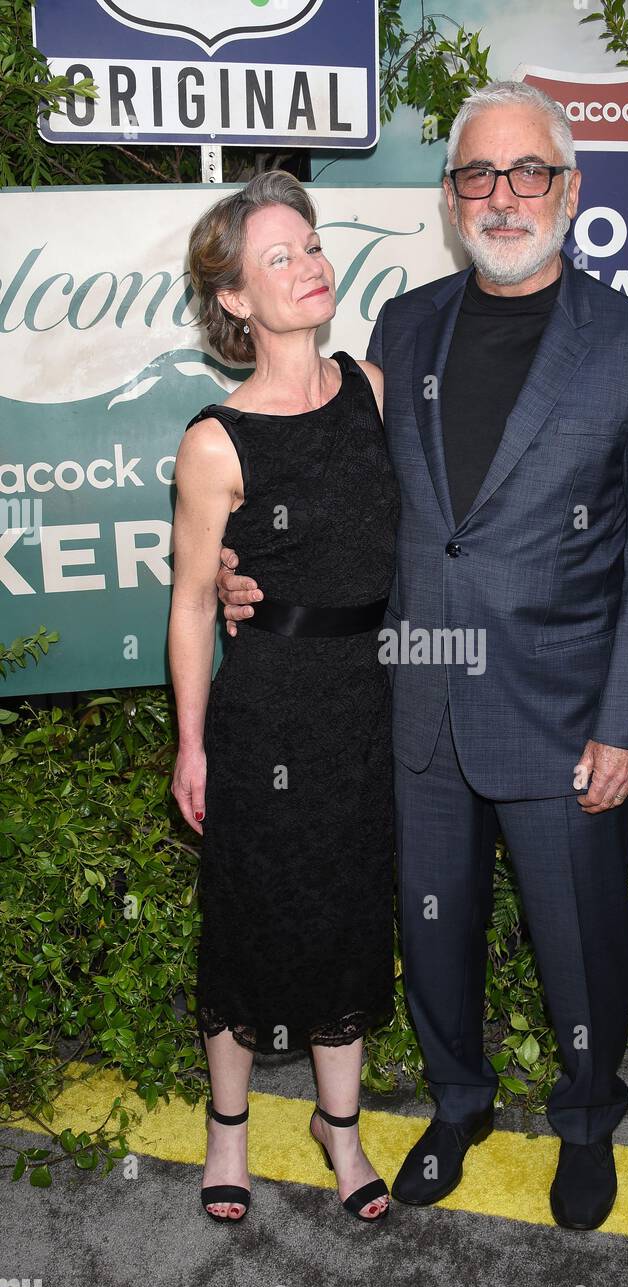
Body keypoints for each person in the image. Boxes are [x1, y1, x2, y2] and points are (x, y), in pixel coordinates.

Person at [218, 80, 628, 1231]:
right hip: (418, 707)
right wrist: (253, 580)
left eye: (526, 171)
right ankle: (460, 1101)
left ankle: (587, 1120)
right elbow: (353, 505)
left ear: (568, 189)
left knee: (579, 945)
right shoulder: (404, 329)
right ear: (450, 198)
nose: (502, 195)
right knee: (434, 932)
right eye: (477, 175)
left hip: (566, 716)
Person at [168, 170, 399, 1225]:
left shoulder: (377, 390)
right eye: (278, 257)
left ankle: (338, 1134)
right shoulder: (215, 441)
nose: (309, 265)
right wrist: (191, 744)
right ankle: (229, 1132)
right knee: (249, 923)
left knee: (349, 917)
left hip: (367, 709)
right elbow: (186, 606)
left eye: (310, 245)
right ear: (234, 300)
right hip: (263, 709)